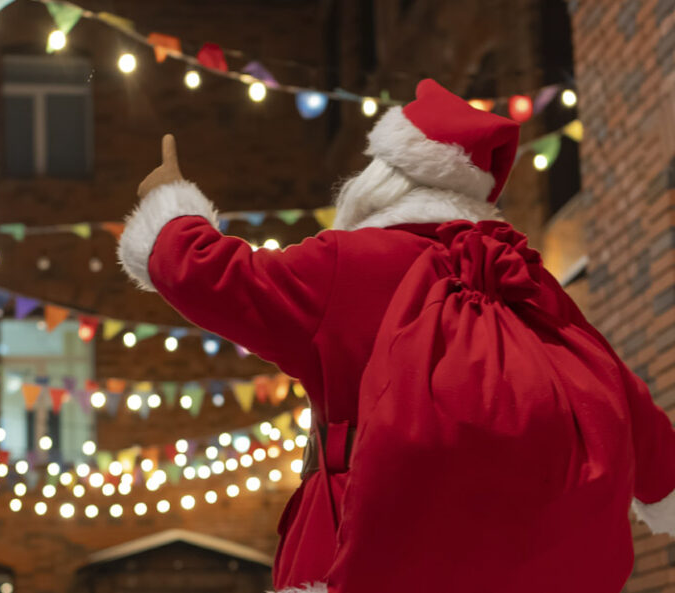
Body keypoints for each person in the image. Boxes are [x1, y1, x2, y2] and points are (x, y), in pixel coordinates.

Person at [118, 79, 675, 593]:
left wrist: (170, 208)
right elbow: (619, 394)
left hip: (359, 551)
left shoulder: (349, 266)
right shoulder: (523, 278)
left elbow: (213, 275)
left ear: (381, 176)